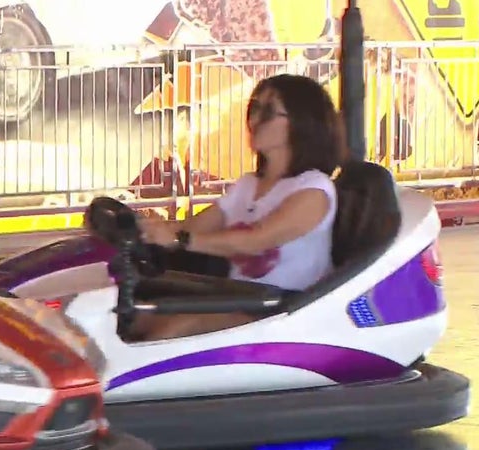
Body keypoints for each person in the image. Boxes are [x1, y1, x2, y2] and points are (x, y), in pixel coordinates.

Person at [128, 73, 347, 342]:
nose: (254, 120)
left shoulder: (313, 189)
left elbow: (254, 242)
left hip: (284, 314)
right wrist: (138, 229)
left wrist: (179, 239)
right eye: (254, 108)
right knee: (130, 319)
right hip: (241, 299)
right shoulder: (247, 185)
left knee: (175, 330)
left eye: (268, 111)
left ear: (302, 123)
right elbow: (191, 227)